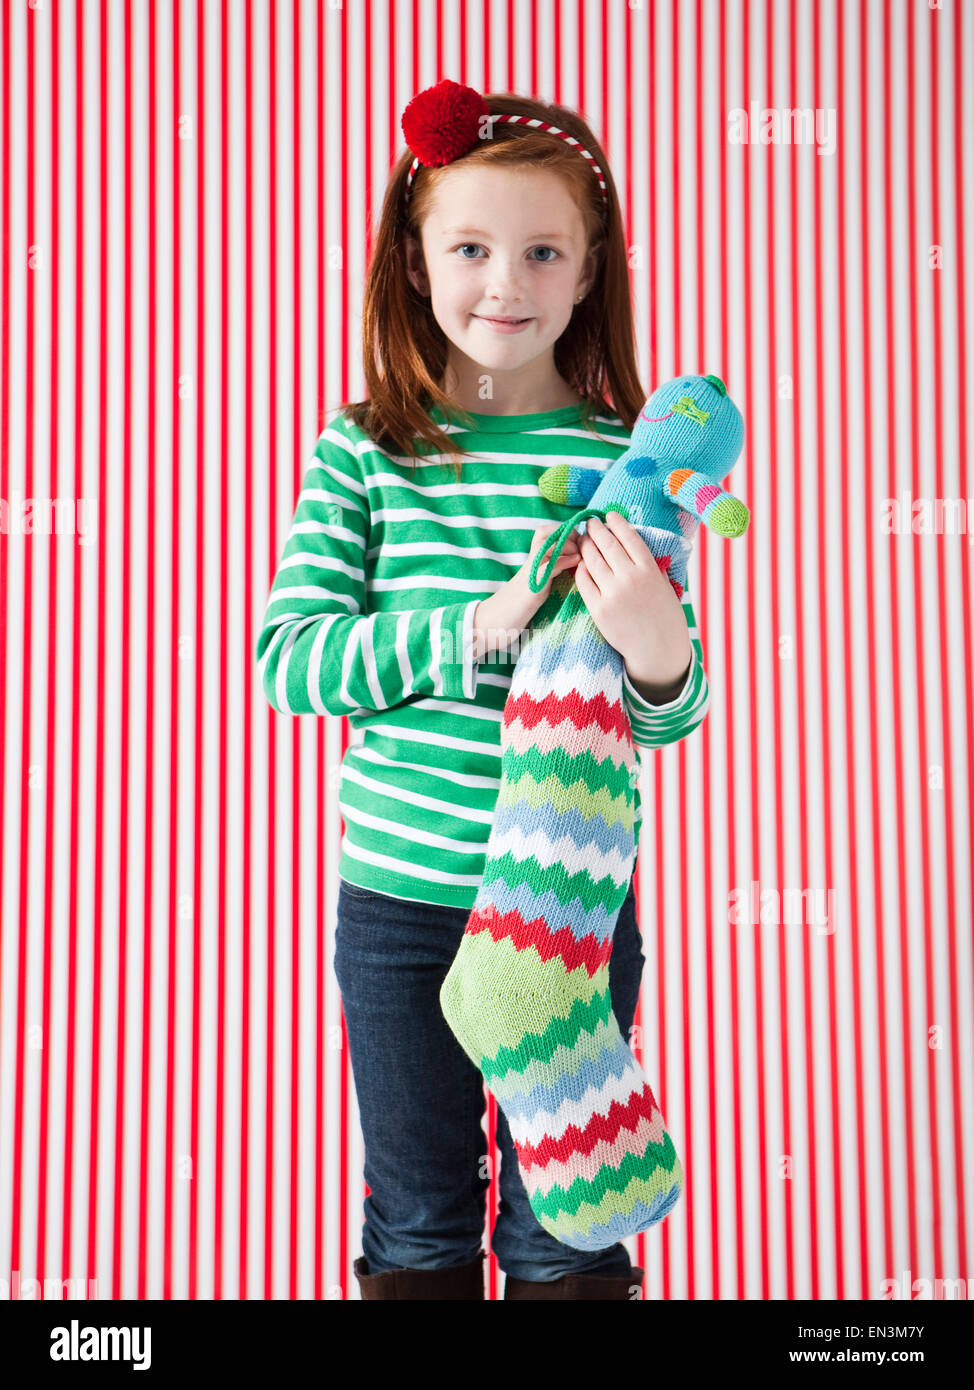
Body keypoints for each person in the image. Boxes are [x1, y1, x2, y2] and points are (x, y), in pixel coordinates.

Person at [255, 80, 710, 1300]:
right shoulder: (364, 451)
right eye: (468, 248)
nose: (503, 283)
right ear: (412, 263)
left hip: (564, 912)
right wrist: (477, 627)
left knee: (567, 1226)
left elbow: (665, 710)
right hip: (399, 909)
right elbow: (289, 659)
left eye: (540, 251)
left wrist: (654, 640)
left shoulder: (627, 457)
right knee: (416, 1216)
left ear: (585, 270)